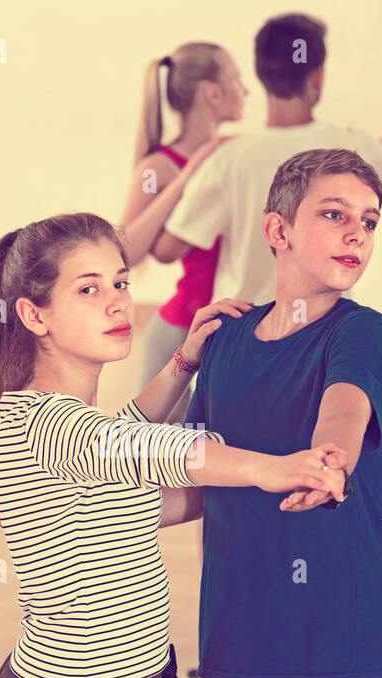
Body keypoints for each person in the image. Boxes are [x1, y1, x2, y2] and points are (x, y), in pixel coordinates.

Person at [0, 212, 349, 678]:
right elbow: (145, 448)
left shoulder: (76, 433)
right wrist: (270, 467)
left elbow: (128, 445)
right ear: (34, 314)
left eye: (120, 280)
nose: (118, 301)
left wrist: (182, 364)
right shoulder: (39, 423)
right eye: (88, 290)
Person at [183, 147, 382, 678]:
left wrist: (331, 458)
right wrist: (65, 500)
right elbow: (192, 481)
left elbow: (345, 406)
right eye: (335, 215)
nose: (356, 234)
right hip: (240, 647)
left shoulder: (362, 330)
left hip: (352, 646)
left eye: (369, 222)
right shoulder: (223, 344)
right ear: (277, 230)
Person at [154, 12, 382, 308]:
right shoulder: (355, 145)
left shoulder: (229, 158)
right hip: (321, 334)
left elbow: (168, 250)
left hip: (243, 333)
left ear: (261, 75)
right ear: (317, 77)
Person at [120, 42, 245, 427]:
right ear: (212, 93)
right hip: (178, 330)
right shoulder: (158, 166)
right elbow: (126, 251)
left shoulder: (236, 155)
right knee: (154, 449)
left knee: (208, 448)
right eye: (238, 81)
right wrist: (188, 176)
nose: (246, 92)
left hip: (227, 327)